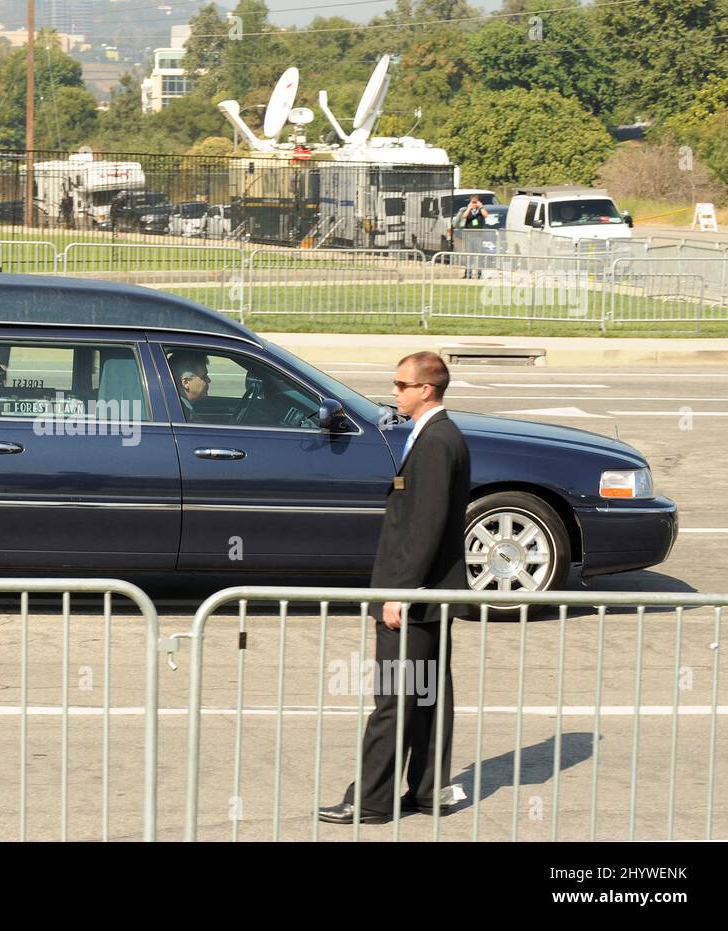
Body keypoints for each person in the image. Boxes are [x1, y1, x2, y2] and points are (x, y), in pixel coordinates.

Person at [316, 351, 471, 825]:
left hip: (414, 595)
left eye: (401, 385)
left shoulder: (437, 442)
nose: (394, 392)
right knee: (425, 696)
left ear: (426, 389)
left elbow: (425, 525)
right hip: (429, 594)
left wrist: (400, 591)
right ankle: (427, 791)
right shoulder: (437, 437)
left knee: (394, 698)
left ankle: (372, 799)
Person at [166, 350, 211, 421]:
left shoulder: (180, 408)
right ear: (186, 383)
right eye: (204, 377)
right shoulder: (182, 414)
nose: (209, 380)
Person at [460, 196, 489, 279]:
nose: (474, 204)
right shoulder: (468, 210)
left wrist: (481, 207)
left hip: (478, 236)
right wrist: (469, 208)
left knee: (479, 256)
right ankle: (468, 274)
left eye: (475, 202)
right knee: (469, 256)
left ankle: (479, 274)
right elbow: (464, 216)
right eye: (473, 202)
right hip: (469, 236)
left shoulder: (480, 210)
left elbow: (486, 215)